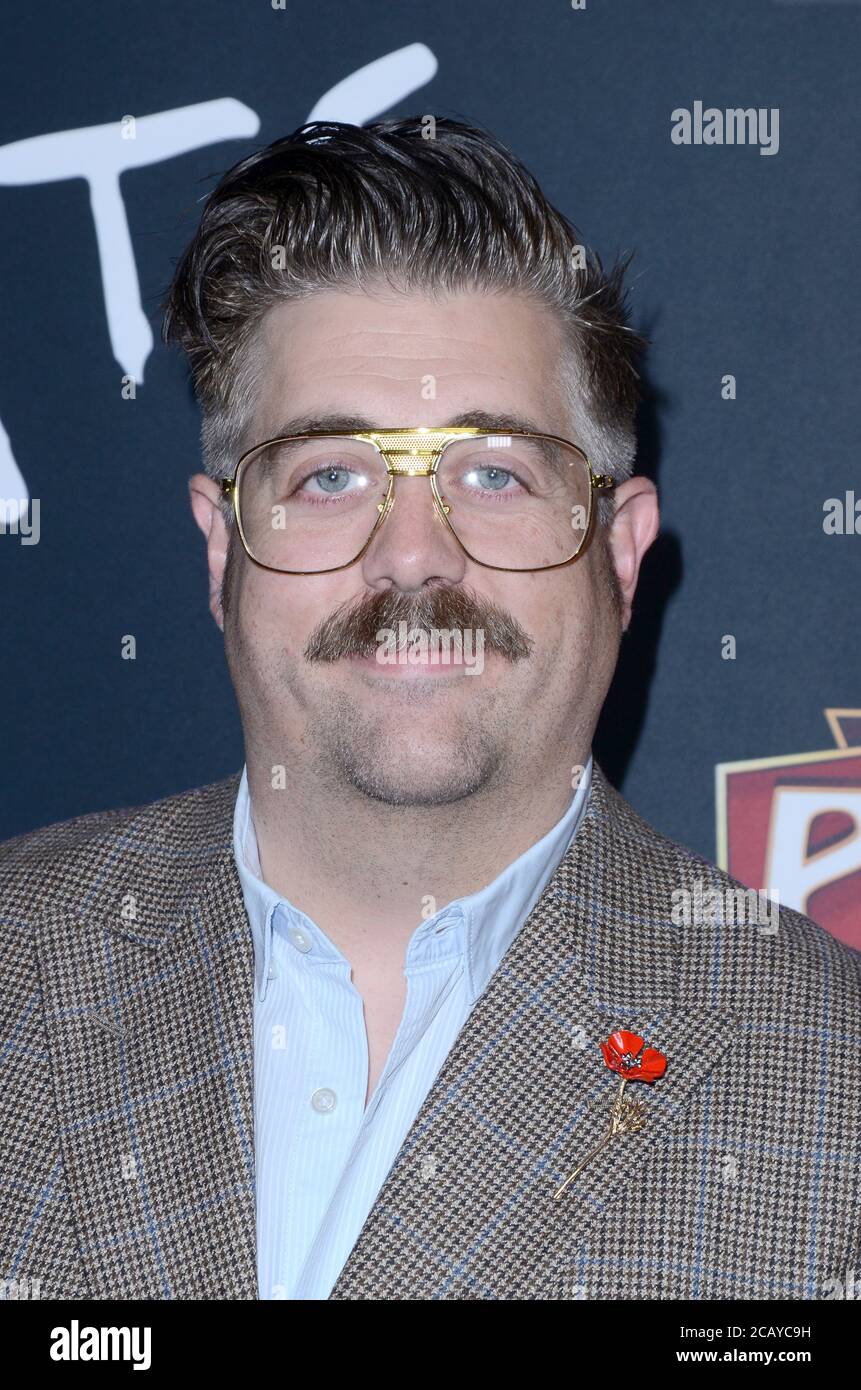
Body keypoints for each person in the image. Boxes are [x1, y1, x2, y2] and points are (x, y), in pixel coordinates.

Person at [1, 116, 858, 1302]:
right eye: (330, 474)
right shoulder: (16, 964)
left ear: (620, 553)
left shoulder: (832, 1088)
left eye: (495, 473)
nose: (413, 558)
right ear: (220, 550)